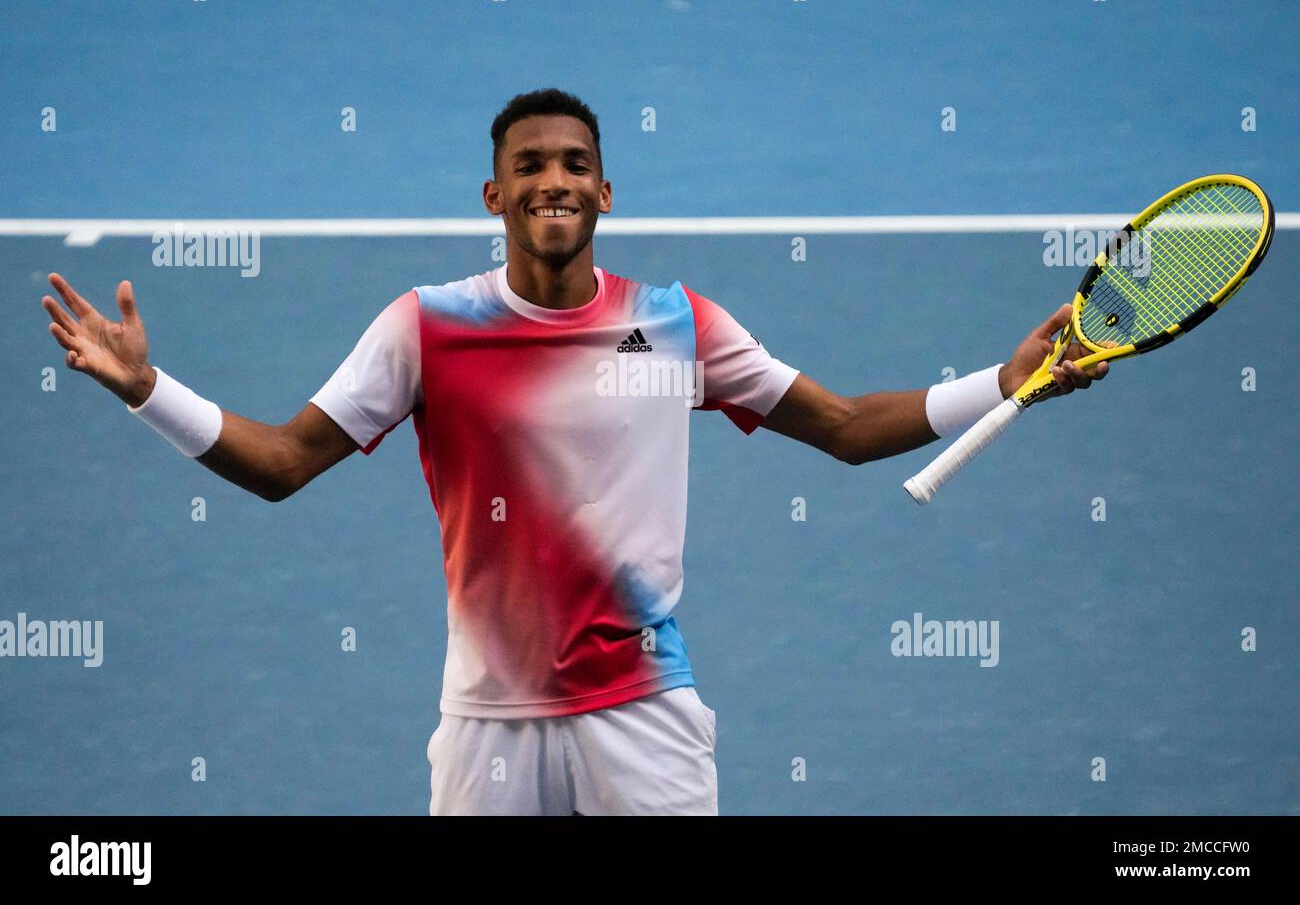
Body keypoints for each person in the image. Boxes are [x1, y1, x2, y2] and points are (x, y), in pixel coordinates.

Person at [41, 88, 1107, 815]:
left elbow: (843, 427)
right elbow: (282, 463)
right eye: (529, 165)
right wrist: (148, 390)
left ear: (605, 191)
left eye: (575, 165)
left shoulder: (674, 326)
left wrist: (1002, 380)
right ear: (494, 195)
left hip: (643, 712)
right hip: (485, 727)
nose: (553, 180)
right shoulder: (426, 328)